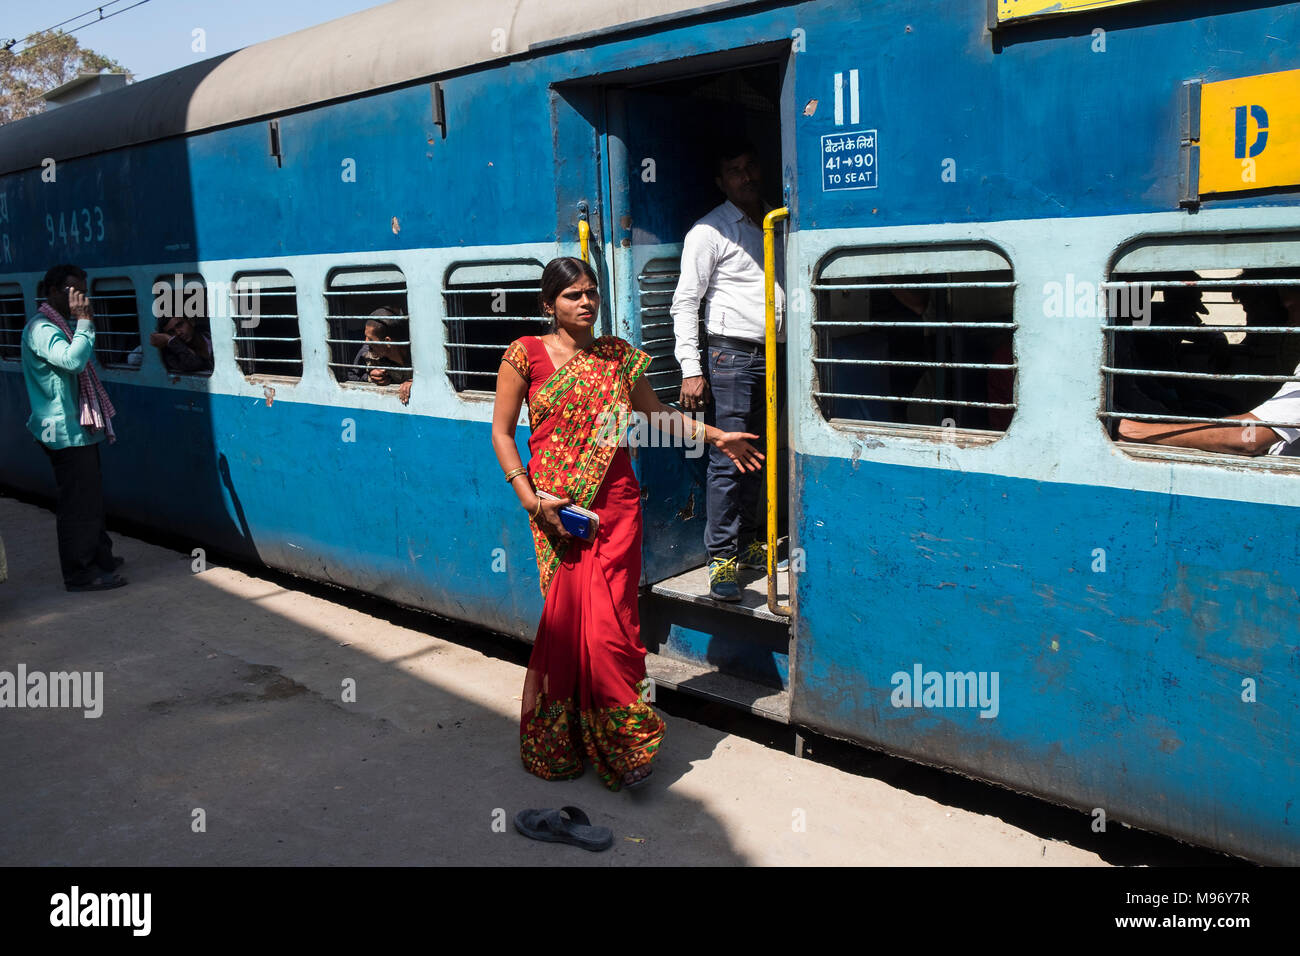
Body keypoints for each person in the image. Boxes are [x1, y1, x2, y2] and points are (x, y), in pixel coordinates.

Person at [492, 257, 763, 790]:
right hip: (559, 510)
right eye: (572, 295)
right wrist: (532, 501)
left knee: (615, 625)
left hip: (616, 506)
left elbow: (655, 416)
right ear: (549, 304)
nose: (586, 302)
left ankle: (625, 744)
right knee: (572, 627)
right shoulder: (525, 356)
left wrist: (716, 437)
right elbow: (502, 434)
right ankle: (571, 736)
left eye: (591, 292)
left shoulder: (616, 357)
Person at [671, 139, 785, 601]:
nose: (746, 176)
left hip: (776, 355)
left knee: (763, 451)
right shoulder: (710, 231)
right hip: (731, 357)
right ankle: (721, 558)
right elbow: (685, 302)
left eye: (750, 166)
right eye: (734, 170)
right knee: (730, 456)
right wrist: (690, 368)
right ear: (721, 182)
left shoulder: (778, 219)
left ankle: (752, 539)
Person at [21, 264, 126, 591]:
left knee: (89, 499)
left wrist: (80, 324)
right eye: (72, 291)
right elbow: (72, 360)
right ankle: (80, 572)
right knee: (77, 505)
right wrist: (85, 323)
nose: (80, 299)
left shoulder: (60, 324)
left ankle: (101, 557)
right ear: (52, 291)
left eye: (83, 290)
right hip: (63, 431)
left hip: (77, 429)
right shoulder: (42, 328)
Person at [1118, 281, 1300, 456]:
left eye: (1292, 310)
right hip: (1153, 394)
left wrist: (1140, 430)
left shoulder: (1171, 317)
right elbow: (1131, 386)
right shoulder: (1137, 323)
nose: (1290, 322)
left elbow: (1247, 438)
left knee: (1220, 407)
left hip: (1167, 392)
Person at [347, 308, 413, 404]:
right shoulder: (367, 351)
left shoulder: (415, 355)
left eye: (370, 339)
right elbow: (352, 375)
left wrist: (415, 383)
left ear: (387, 342)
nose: (366, 342)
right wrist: (370, 377)